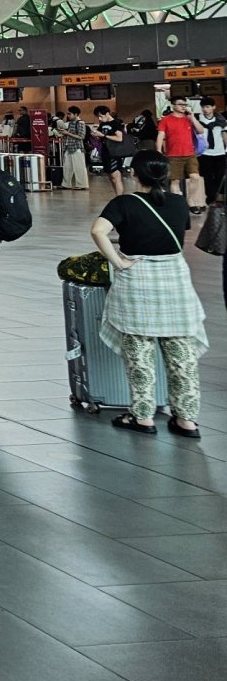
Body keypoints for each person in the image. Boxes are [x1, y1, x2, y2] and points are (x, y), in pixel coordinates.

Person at [89, 151, 207, 437]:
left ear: (134, 174)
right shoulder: (179, 203)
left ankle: (143, 417)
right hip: (174, 280)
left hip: (138, 279)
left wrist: (117, 262)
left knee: (139, 354)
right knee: (181, 355)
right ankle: (186, 420)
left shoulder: (124, 203)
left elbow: (98, 231)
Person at [157, 96, 205, 212]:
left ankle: (191, 201)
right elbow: (160, 136)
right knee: (175, 180)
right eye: (181, 104)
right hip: (173, 155)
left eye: (185, 104)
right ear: (173, 106)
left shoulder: (188, 119)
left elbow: (201, 130)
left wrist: (192, 118)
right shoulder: (166, 120)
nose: (184, 106)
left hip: (190, 153)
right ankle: (178, 203)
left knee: (195, 177)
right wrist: (158, 151)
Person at [198, 97, 226, 206]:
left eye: (208, 107)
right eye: (203, 107)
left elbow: (224, 136)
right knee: (207, 177)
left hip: (219, 153)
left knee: (220, 175)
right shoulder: (198, 120)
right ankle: (210, 199)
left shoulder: (221, 121)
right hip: (205, 154)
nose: (205, 109)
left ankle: (215, 196)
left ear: (213, 107)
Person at [59, 106, 90, 191]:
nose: (68, 115)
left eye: (69, 114)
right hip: (68, 147)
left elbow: (81, 136)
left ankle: (81, 184)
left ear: (76, 114)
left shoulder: (80, 123)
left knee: (79, 167)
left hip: (77, 148)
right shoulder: (70, 123)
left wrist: (67, 133)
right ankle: (66, 184)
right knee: (67, 167)